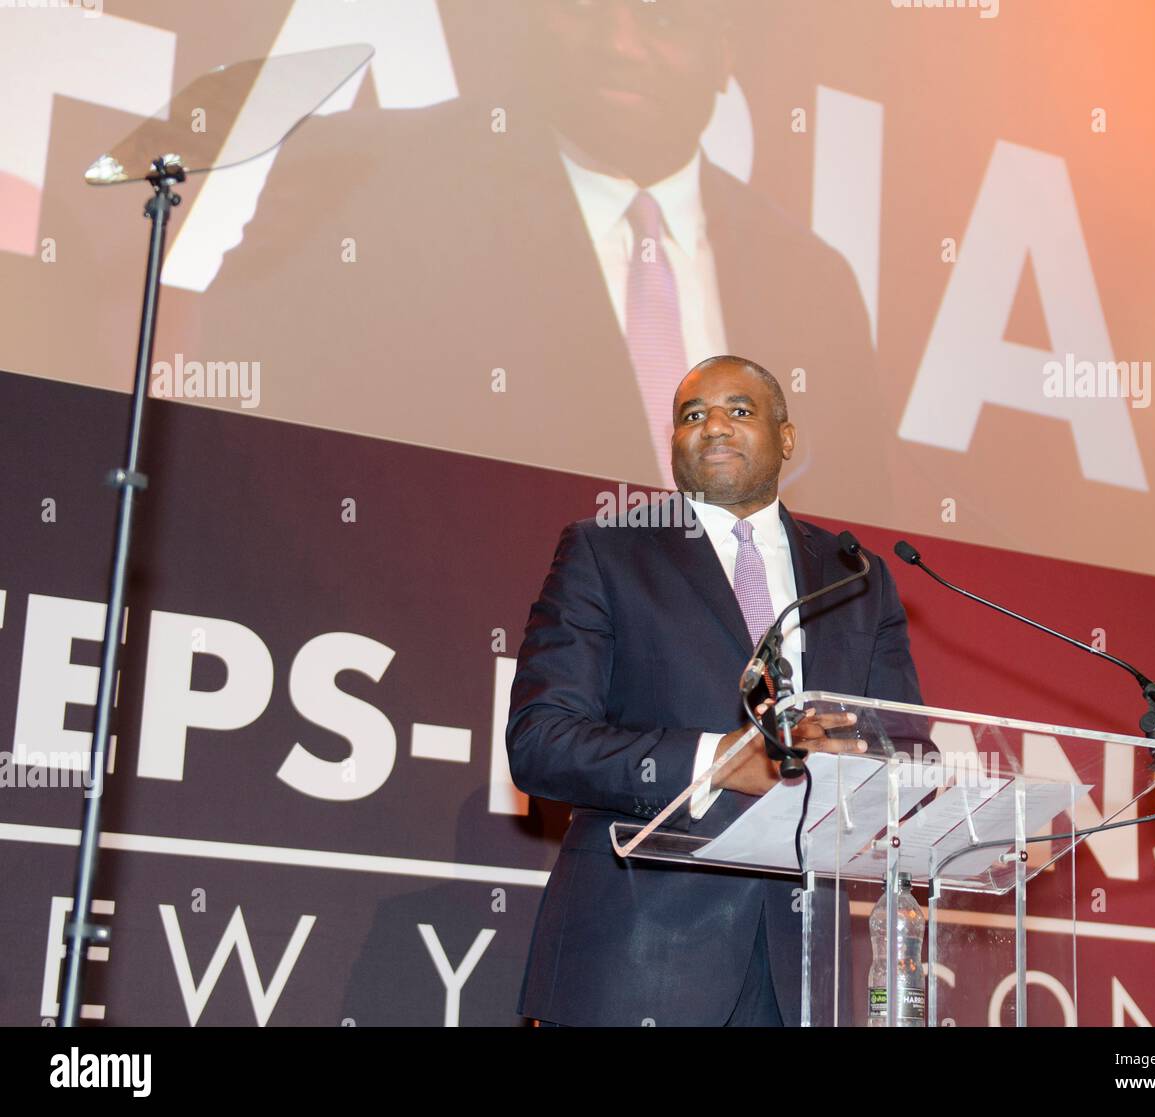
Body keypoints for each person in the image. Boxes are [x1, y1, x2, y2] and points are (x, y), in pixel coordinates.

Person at [193, 0, 892, 520]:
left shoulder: (813, 283)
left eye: (663, 20)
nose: (619, 44)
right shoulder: (368, 176)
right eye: (585, 7)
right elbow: (234, 455)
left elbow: (856, 548)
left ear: (725, 52)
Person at [506, 354, 923, 1027]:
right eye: (692, 416)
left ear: (786, 439)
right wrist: (718, 761)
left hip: (802, 976)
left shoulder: (855, 575)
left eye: (739, 410)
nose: (714, 427)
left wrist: (855, 771)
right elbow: (541, 742)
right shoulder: (606, 550)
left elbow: (905, 747)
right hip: (636, 963)